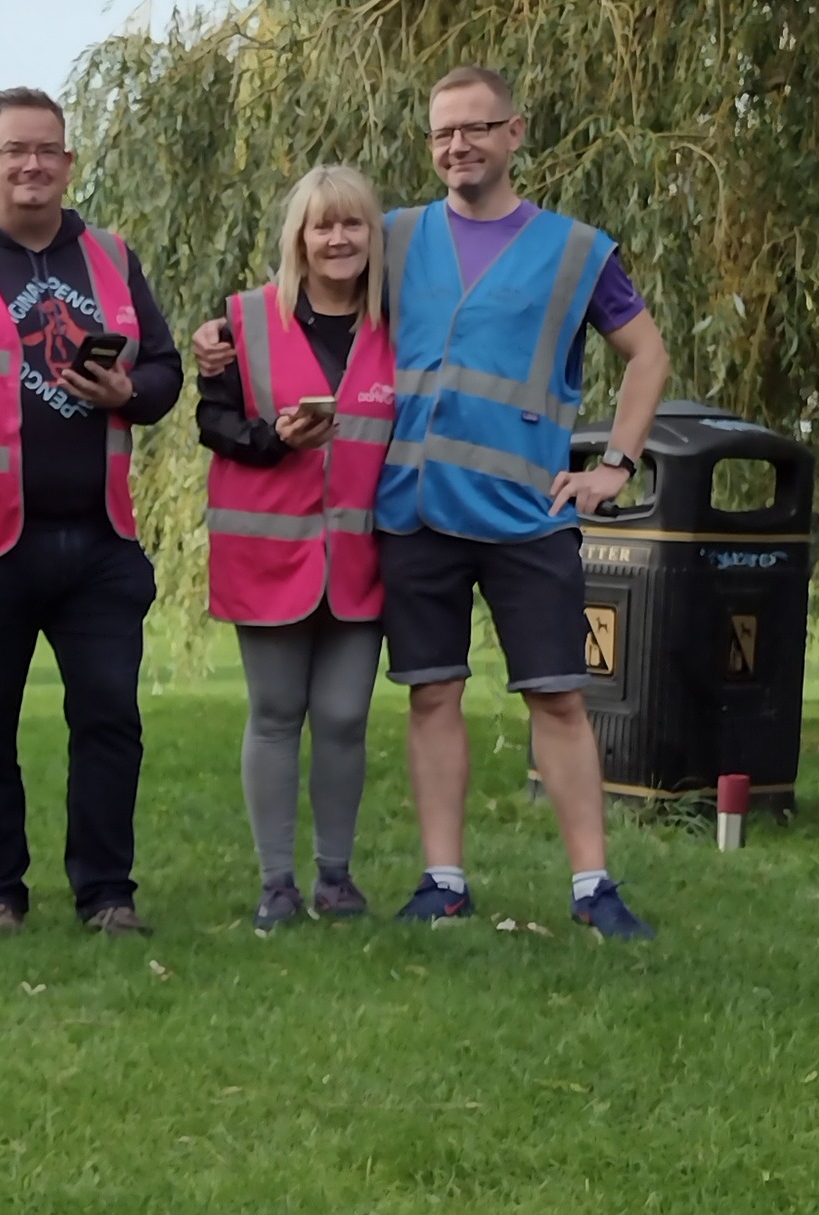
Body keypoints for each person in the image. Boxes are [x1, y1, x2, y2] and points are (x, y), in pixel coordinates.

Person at [196, 67, 671, 939]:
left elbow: (648, 354)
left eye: (477, 129)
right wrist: (220, 341)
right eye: (444, 133)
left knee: (560, 700)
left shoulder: (576, 251)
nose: (460, 145)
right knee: (430, 696)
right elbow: (313, 291)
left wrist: (617, 465)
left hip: (528, 511)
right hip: (411, 512)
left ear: (515, 132)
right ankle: (442, 882)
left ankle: (593, 886)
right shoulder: (397, 237)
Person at [0, 86, 183, 935]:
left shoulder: (113, 256)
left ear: (68, 163)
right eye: (15, 150)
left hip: (100, 541)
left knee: (109, 723)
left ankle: (106, 893)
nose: (32, 165)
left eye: (47, 150)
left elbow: (164, 374)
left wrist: (131, 388)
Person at [199, 166, 394, 932]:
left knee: (345, 716)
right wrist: (270, 437)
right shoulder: (240, 322)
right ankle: (277, 883)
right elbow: (211, 423)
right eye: (323, 226)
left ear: (373, 236)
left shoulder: (401, 324)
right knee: (277, 712)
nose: (338, 239)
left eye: (353, 225)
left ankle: (336, 880)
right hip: (269, 551)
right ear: (299, 239)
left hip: (364, 555)